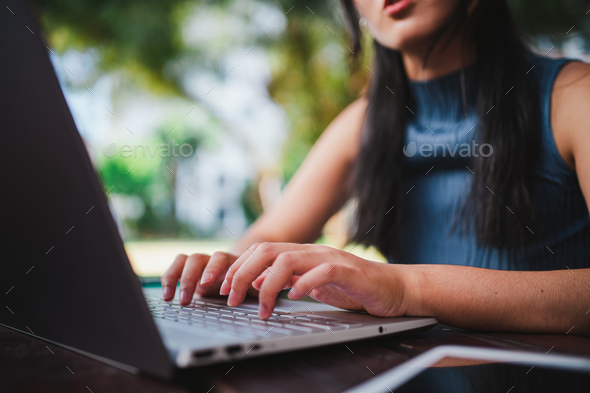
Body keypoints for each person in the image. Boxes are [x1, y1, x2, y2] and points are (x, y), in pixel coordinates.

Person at [162, 0, 590, 335]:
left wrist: (405, 288)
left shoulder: (572, 96)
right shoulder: (361, 124)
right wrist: (224, 270)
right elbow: (271, 237)